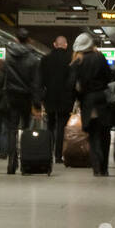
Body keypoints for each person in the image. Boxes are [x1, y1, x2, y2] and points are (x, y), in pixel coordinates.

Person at [0, 29, 43, 175]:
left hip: (11, 96)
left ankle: (11, 161)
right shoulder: (34, 59)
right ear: (28, 40)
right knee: (26, 129)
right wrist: (37, 105)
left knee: (12, 129)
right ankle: (25, 160)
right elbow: (36, 84)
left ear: (16, 39)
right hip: (26, 97)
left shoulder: (8, 57)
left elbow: (2, 78)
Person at [69, 32, 113, 176]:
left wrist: (76, 100)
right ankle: (104, 168)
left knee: (93, 136)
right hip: (103, 100)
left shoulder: (78, 62)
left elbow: (72, 85)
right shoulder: (100, 57)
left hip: (88, 102)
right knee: (105, 134)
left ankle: (96, 167)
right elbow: (110, 77)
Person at [40, 35, 74, 164]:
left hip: (50, 97)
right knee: (61, 127)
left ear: (54, 44)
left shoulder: (45, 59)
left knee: (50, 125)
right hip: (66, 98)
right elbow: (72, 80)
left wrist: (41, 97)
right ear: (66, 45)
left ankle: (47, 152)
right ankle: (58, 156)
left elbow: (41, 79)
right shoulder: (71, 59)